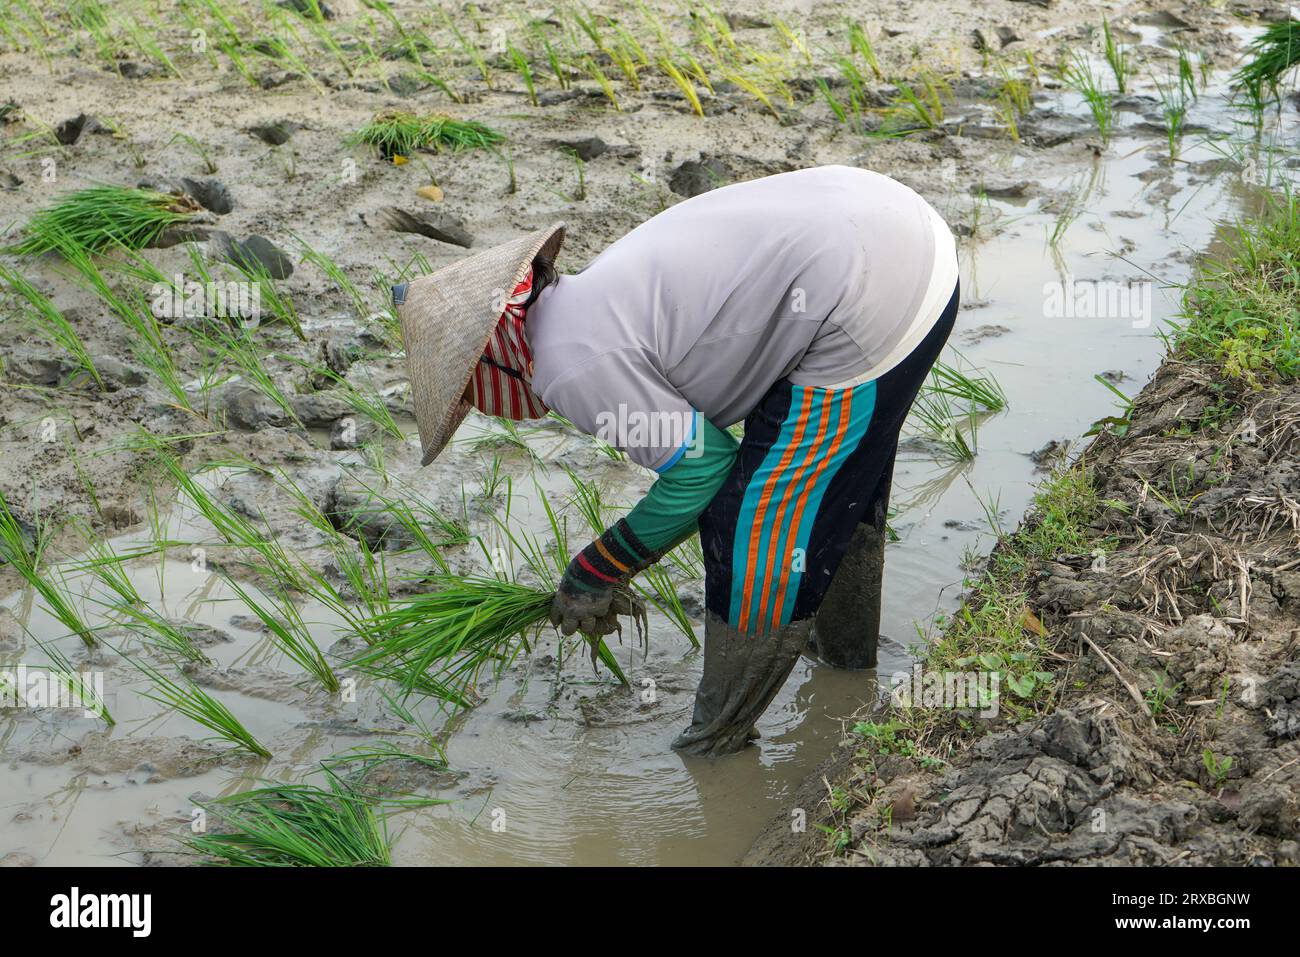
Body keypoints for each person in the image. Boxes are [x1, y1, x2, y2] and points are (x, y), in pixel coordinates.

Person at [394, 164, 959, 756]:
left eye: (471, 391)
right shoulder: (591, 297)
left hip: (868, 297)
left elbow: (703, 468)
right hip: (908, 239)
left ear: (492, 358)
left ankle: (716, 744)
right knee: (835, 492)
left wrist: (595, 572)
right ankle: (846, 673)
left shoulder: (565, 361)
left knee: (754, 522)